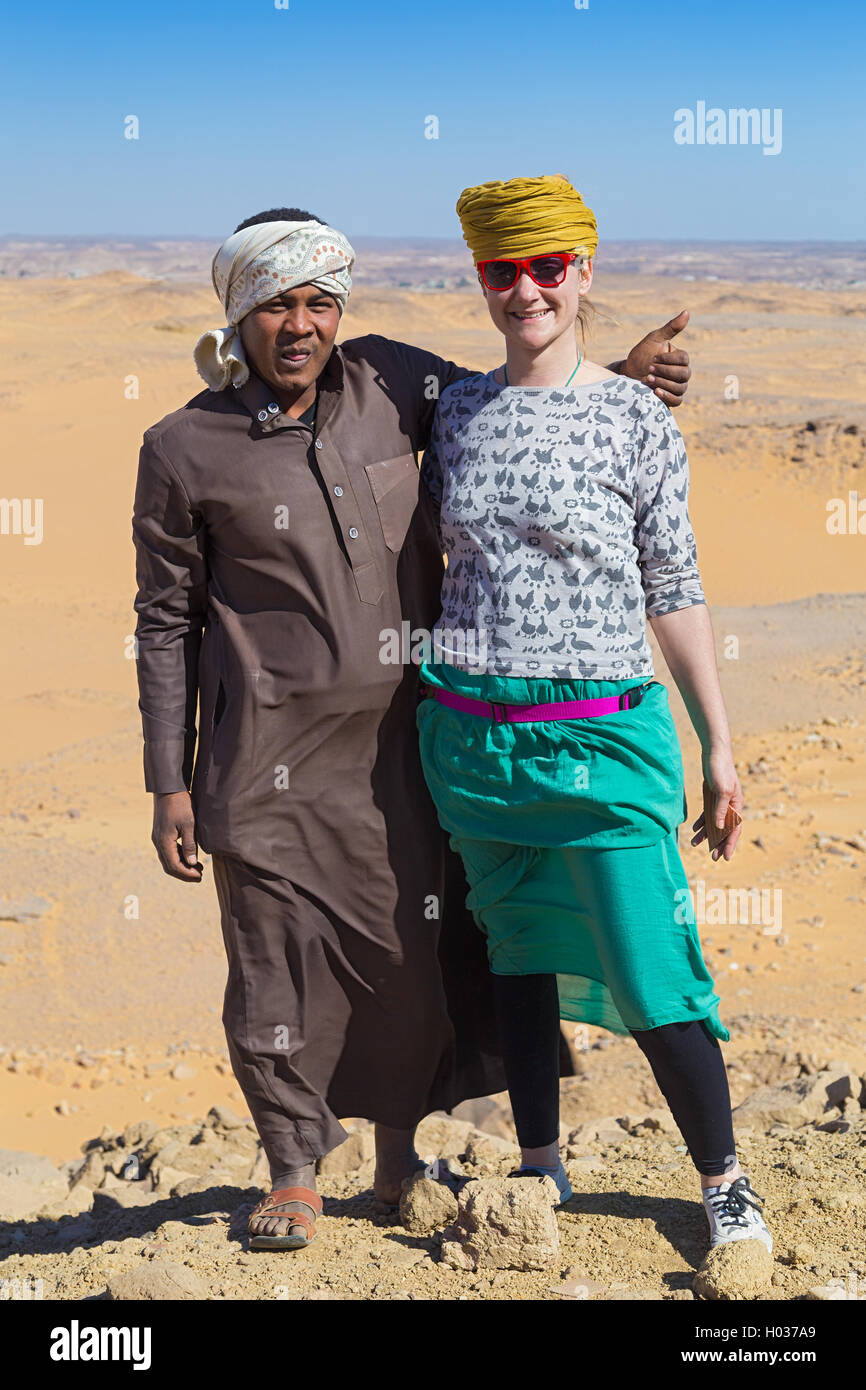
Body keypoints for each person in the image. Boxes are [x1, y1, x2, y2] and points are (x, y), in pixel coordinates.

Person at [131, 204, 695, 1251]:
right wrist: (170, 777)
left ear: (339, 307)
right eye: (274, 305)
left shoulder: (396, 384)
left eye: (318, 301)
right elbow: (163, 621)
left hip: (405, 744)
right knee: (271, 956)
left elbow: (512, 406)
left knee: (409, 949)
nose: (299, 325)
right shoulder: (180, 448)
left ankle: (397, 1159)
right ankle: (293, 1166)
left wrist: (617, 367)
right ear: (238, 314)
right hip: (259, 760)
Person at [415, 174, 772, 1252]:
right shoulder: (458, 411)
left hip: (603, 739)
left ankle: (723, 1184)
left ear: (581, 271)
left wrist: (717, 742)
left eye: (545, 267)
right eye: (499, 270)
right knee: (516, 951)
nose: (523, 289)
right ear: (479, 277)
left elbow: (672, 582)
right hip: (475, 743)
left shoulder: (633, 419)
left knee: (650, 958)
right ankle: (538, 1163)